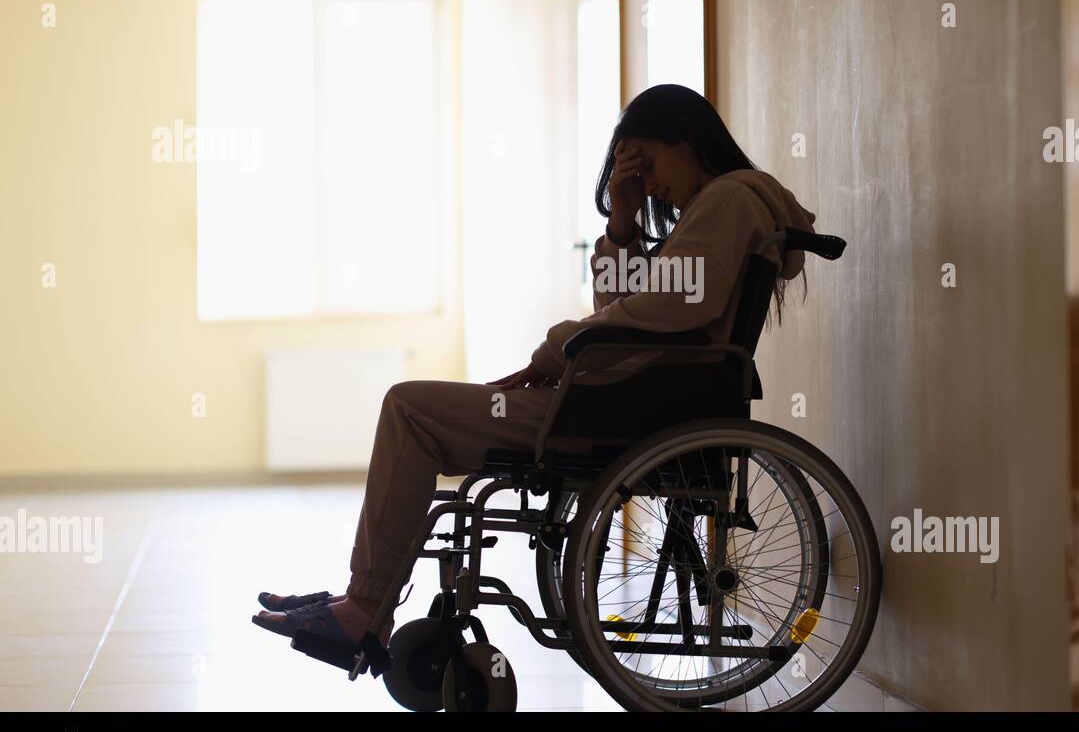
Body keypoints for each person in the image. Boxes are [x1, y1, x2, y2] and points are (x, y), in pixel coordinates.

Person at [251, 83, 817, 647]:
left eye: (648, 165)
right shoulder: (725, 205)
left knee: (409, 408)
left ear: (687, 139)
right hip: (628, 397)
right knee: (415, 414)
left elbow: (656, 310)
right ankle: (362, 601)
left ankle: (364, 605)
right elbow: (634, 309)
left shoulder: (726, 202)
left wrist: (553, 352)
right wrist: (622, 223)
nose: (649, 186)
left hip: (622, 407)